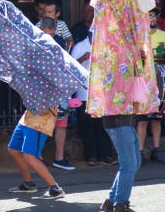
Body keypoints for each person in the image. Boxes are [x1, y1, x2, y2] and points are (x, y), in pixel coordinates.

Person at [86, 0, 158, 212]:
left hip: (117, 88)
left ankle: (113, 200)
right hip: (120, 84)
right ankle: (120, 205)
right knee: (131, 161)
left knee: (129, 158)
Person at [71, 32, 115, 166]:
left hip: (102, 92)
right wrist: (83, 58)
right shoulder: (79, 46)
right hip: (84, 92)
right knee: (87, 126)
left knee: (102, 125)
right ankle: (91, 156)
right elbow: (71, 67)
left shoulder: (104, 46)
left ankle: (105, 155)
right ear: (90, 35)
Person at [136, 8, 165, 164]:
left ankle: (156, 149)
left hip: (159, 79)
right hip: (143, 81)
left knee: (157, 118)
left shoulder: (163, 35)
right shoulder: (139, 36)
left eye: (153, 16)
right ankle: (139, 151)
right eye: (148, 16)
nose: (151, 18)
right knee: (142, 119)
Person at [40, 17, 76, 171]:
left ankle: (59, 158)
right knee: (40, 124)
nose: (48, 36)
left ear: (54, 31)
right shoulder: (32, 41)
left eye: (51, 34)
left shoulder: (60, 42)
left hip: (59, 88)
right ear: (41, 29)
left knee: (61, 124)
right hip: (42, 89)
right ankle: (36, 157)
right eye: (45, 33)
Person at [7, 108, 66, 199]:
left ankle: (55, 189)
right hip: (26, 119)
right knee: (13, 150)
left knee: (30, 156)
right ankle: (28, 184)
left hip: (41, 121)